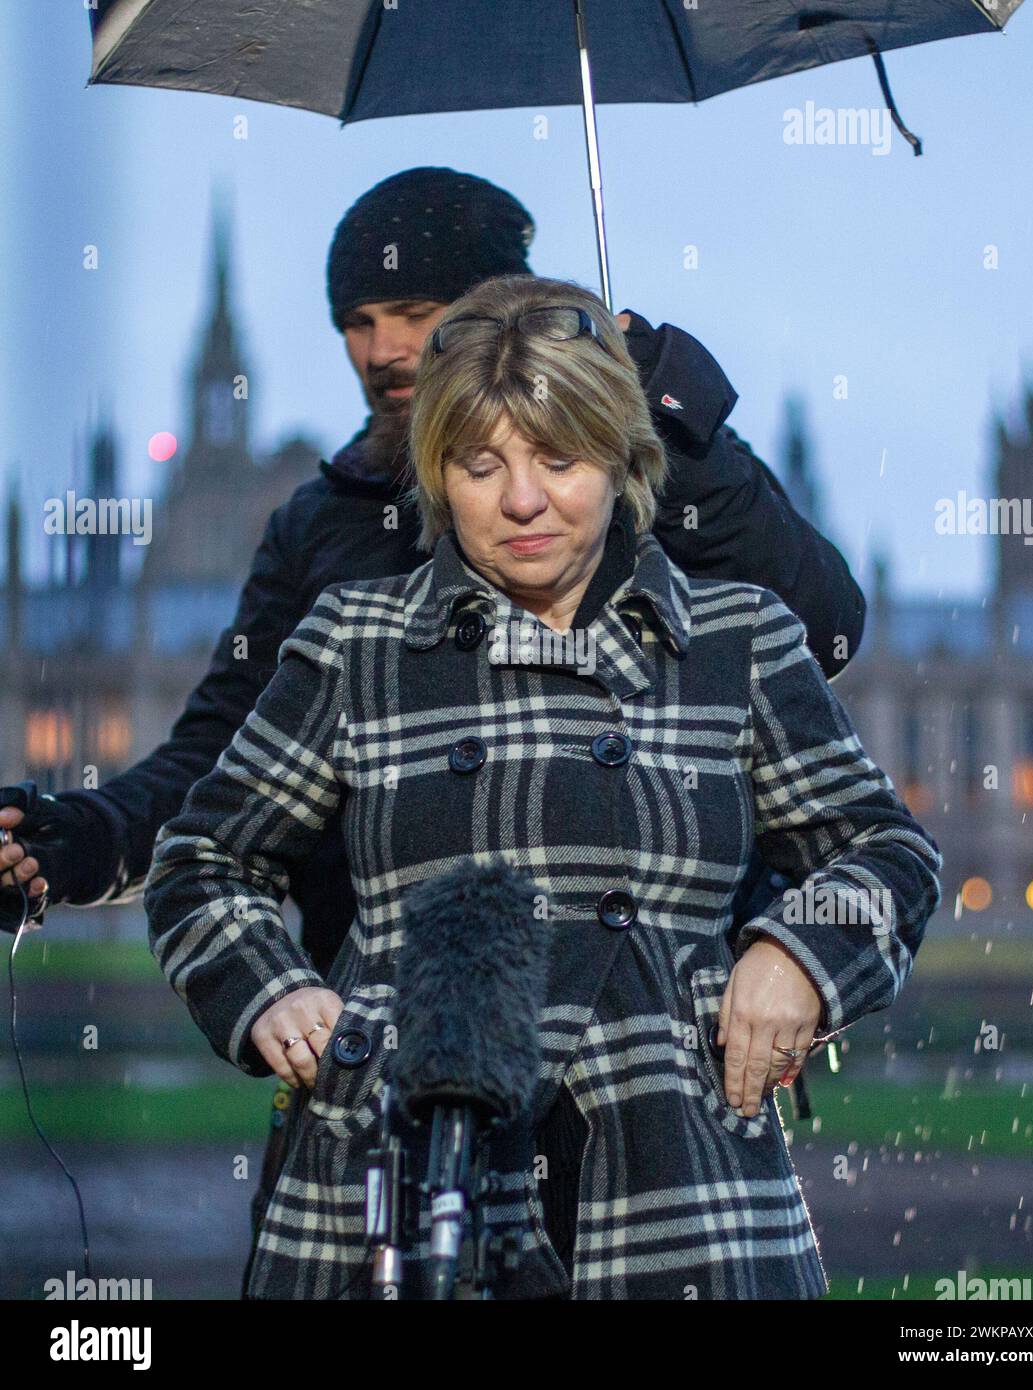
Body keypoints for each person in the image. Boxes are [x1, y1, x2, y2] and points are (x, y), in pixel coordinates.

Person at [0, 167, 865, 1270]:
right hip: (385, 1078)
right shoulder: (325, 537)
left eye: (411, 316)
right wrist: (86, 844)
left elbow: (825, 634)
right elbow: (214, 776)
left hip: (654, 1095)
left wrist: (695, 441)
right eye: (356, 323)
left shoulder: (636, 507)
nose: (379, 349)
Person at [143, 274, 941, 1300]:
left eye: (558, 459)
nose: (522, 501)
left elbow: (886, 853)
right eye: (481, 466)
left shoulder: (738, 639)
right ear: (438, 475)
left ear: (620, 457)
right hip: (401, 1169)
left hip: (676, 1182)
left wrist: (798, 955)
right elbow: (204, 862)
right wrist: (273, 990)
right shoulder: (358, 645)